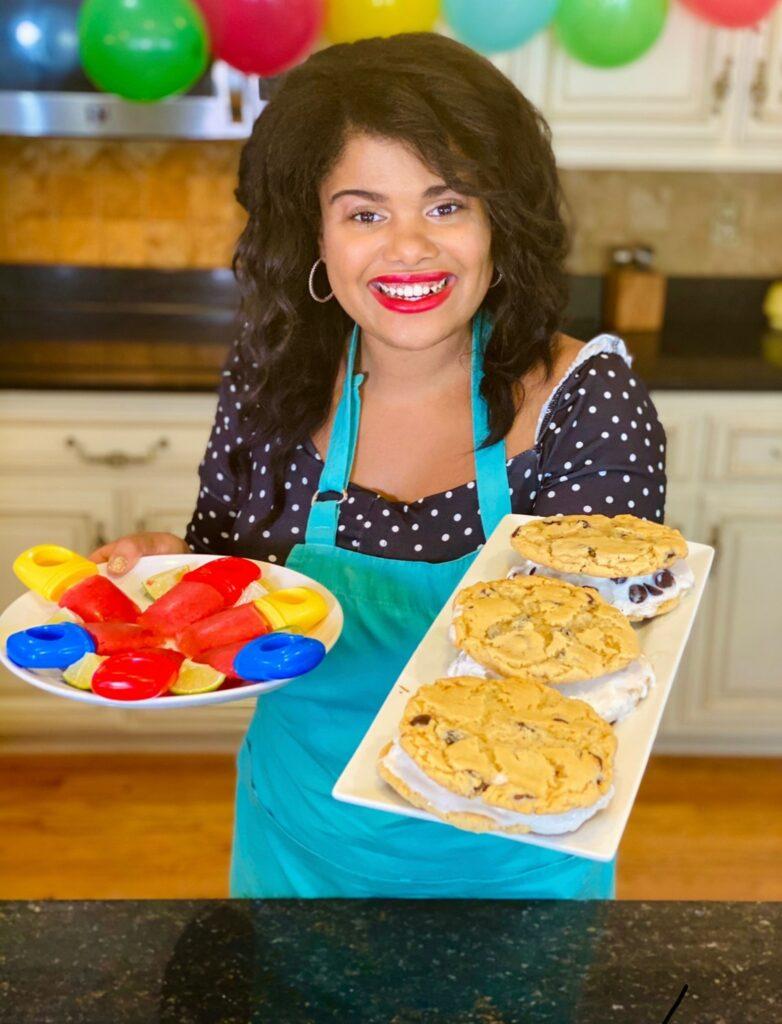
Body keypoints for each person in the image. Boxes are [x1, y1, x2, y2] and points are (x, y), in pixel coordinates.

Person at [91, 32, 666, 898]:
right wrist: (167, 577)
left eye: (446, 206)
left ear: (499, 223)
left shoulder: (583, 400)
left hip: (516, 867)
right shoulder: (274, 375)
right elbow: (240, 584)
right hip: (299, 848)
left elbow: (608, 665)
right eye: (365, 212)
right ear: (315, 232)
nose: (408, 249)